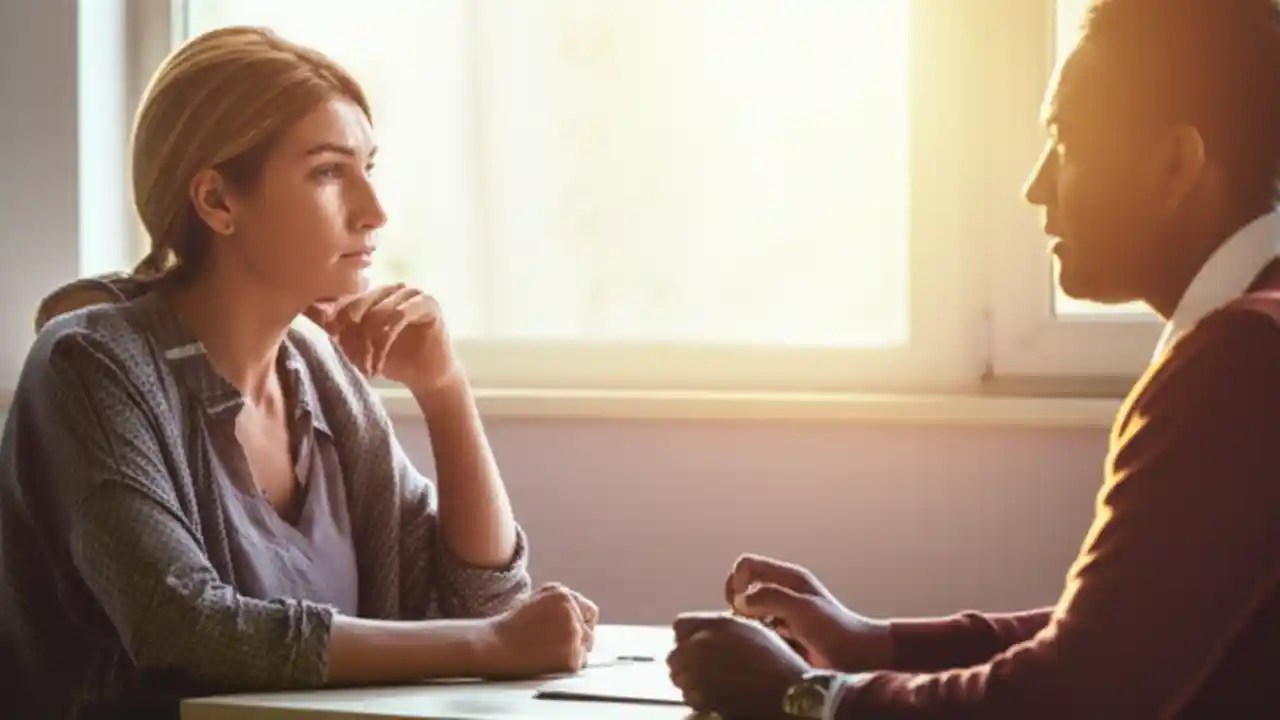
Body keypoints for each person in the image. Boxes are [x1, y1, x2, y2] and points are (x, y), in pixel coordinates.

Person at [667, 0, 1280, 717]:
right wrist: (874, 645)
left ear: (1175, 163)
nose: (1036, 186)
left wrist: (808, 697)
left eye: (1067, 142)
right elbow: (1123, 631)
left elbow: (1077, 694)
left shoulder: (1236, 367)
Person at [0, 26, 598, 719]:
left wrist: (444, 389)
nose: (374, 212)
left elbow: (483, 599)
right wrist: (488, 646)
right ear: (218, 202)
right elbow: (183, 630)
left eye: (368, 168)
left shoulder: (315, 369)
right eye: (327, 171)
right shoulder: (91, 366)